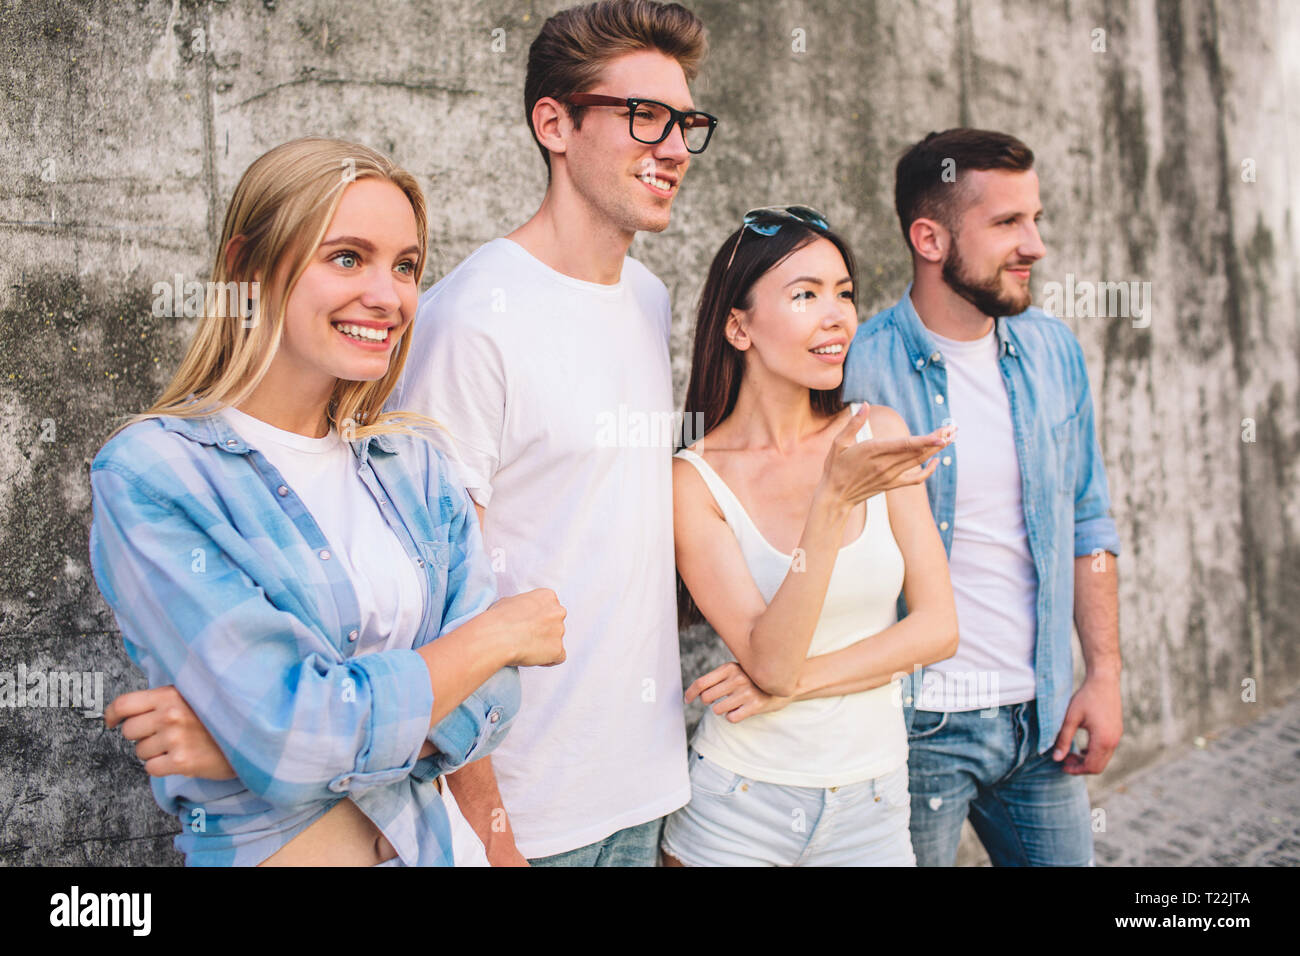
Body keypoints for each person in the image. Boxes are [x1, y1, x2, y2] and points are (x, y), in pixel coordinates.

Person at [89, 137, 566, 867]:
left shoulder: (416, 464)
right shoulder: (156, 474)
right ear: (247, 268)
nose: (390, 295)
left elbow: (492, 707)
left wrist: (244, 745)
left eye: (405, 266)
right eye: (347, 257)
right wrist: (494, 637)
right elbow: (291, 736)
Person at [387, 0, 715, 867]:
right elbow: (435, 605)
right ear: (554, 123)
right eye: (644, 117)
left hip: (646, 790)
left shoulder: (648, 300)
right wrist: (495, 837)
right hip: (529, 815)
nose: (674, 147)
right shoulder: (469, 320)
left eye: (684, 122)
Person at [841, 128, 1123, 867]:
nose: (1034, 245)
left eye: (1036, 219)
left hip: (1043, 720)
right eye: (1007, 223)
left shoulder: (1054, 350)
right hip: (915, 728)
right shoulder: (854, 371)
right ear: (929, 238)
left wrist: (1104, 675)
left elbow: (1087, 521)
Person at [658, 206, 959, 866]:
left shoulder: (878, 430)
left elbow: (938, 628)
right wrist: (830, 505)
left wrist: (794, 684)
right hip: (737, 805)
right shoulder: (694, 480)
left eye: (844, 293)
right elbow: (770, 660)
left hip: (874, 800)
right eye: (806, 295)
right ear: (739, 326)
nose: (838, 316)